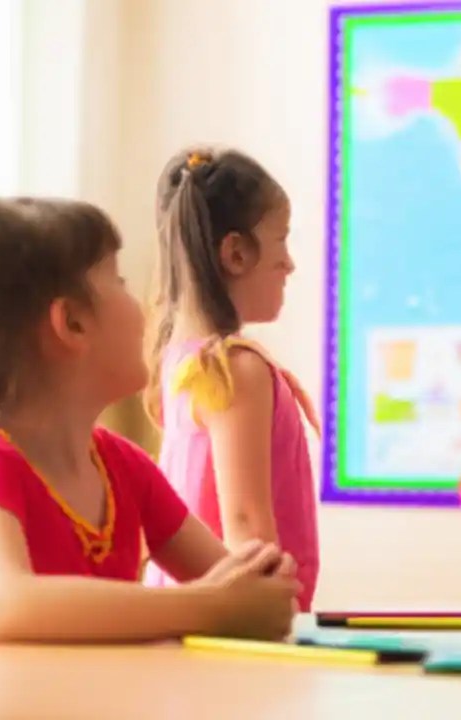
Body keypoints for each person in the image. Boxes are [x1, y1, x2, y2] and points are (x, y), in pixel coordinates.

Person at [0, 197, 298, 655]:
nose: (141, 304)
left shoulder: (123, 466)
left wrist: (254, 590)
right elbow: (5, 606)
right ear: (73, 323)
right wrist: (207, 605)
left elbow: (236, 587)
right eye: (118, 280)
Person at [141, 147, 320, 611]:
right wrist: (271, 617)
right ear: (236, 253)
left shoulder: (180, 357)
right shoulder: (236, 369)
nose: (290, 264)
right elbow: (246, 525)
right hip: (233, 627)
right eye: (282, 240)